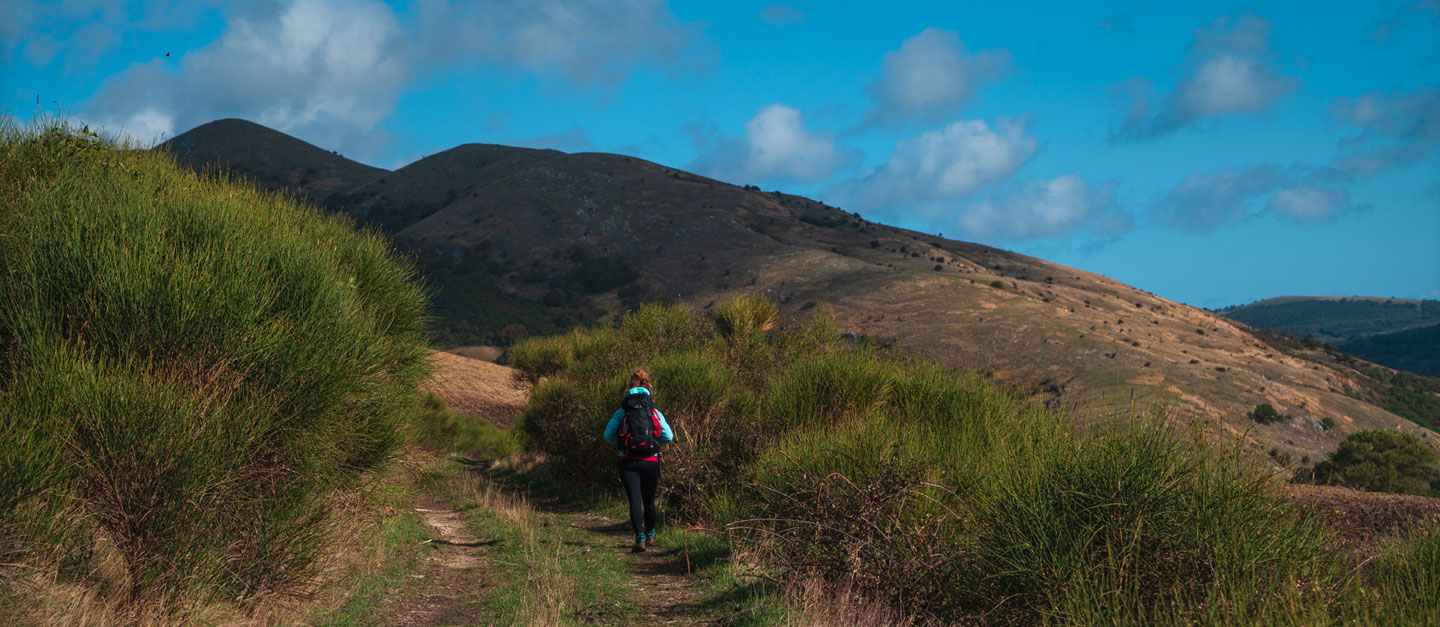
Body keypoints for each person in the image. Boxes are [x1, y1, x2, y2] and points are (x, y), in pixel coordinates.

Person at [603, 369, 674, 553]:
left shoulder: (622, 411)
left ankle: (639, 539)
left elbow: (607, 434)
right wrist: (657, 445)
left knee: (634, 499)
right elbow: (669, 435)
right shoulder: (653, 411)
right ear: (648, 388)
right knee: (649, 500)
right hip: (650, 460)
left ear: (629, 388)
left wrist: (620, 445)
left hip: (627, 460)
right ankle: (650, 534)